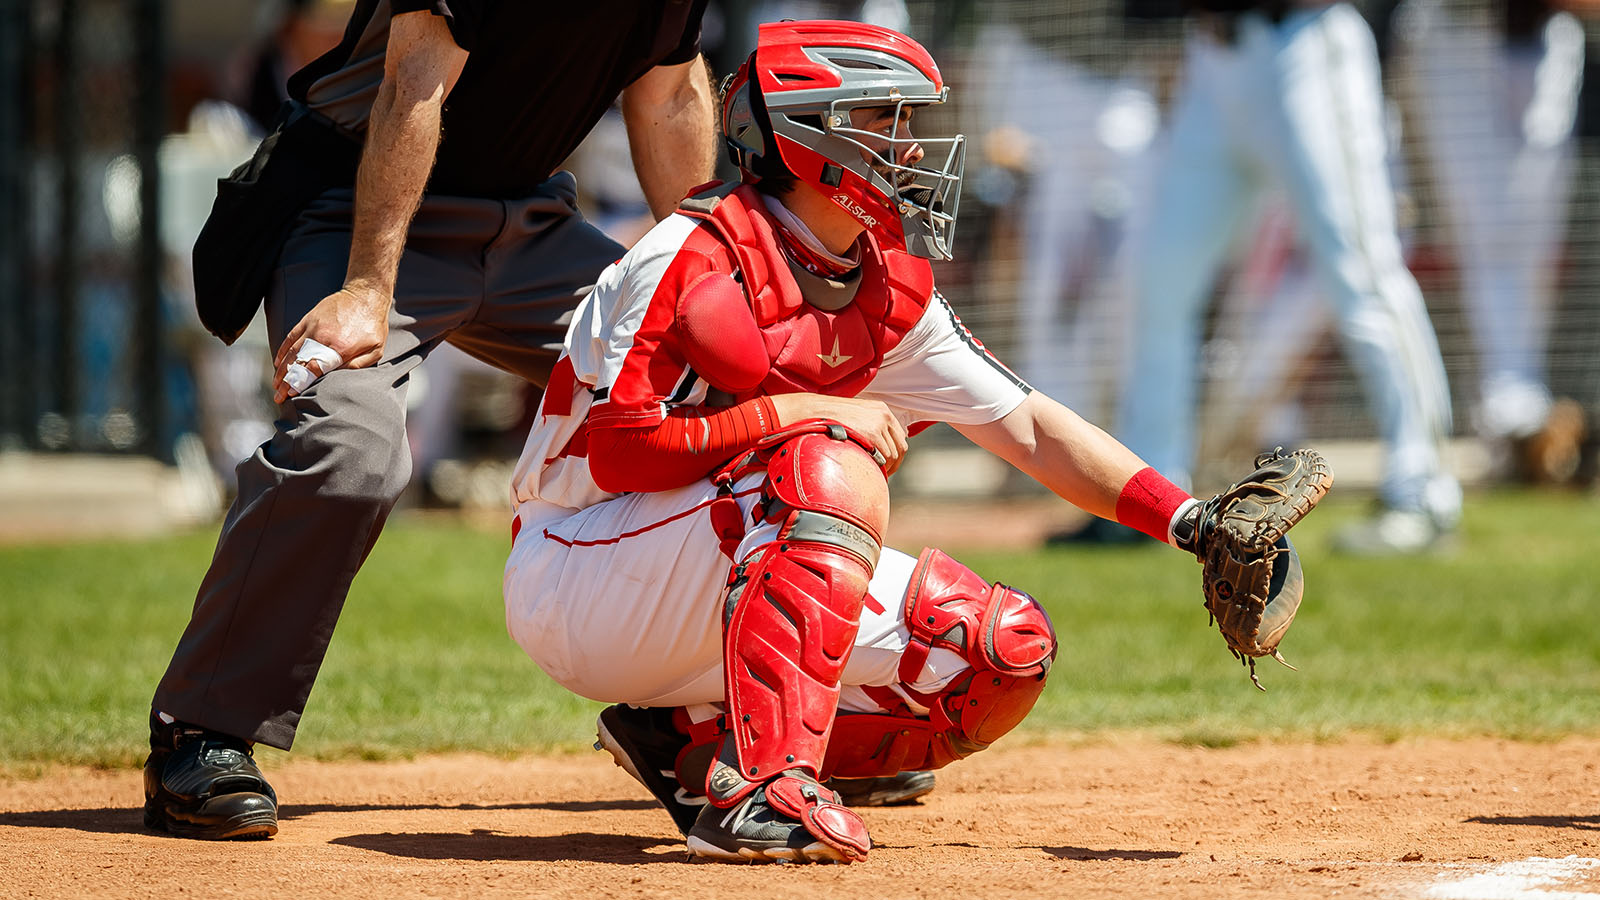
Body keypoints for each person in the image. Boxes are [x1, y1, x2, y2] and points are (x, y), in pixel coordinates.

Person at [501, 20, 1320, 864]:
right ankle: (757, 789)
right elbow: (621, 454)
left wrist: (1191, 523)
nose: (914, 148)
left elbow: (1034, 429)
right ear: (813, 135)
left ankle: (680, 745)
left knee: (998, 653)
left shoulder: (882, 281)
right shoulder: (694, 251)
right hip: (577, 566)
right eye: (887, 121)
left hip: (690, 572)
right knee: (828, 466)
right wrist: (798, 413)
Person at [143, 2, 719, 841]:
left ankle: (693, 720)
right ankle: (199, 735)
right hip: (354, 207)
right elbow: (416, 82)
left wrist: (712, 295)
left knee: (718, 399)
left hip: (531, 224)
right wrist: (371, 287)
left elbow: (669, 96)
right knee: (349, 450)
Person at [1102, 0, 1460, 554]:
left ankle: (1423, 494)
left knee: (1362, 278)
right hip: (1214, 58)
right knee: (1159, 285)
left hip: (1304, 44)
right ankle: (1156, 507)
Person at [1405, 0, 1587, 483]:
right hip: (1455, 29)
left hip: (1543, 32)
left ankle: (1519, 415)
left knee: (1533, 236)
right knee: (1486, 234)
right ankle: (1511, 415)